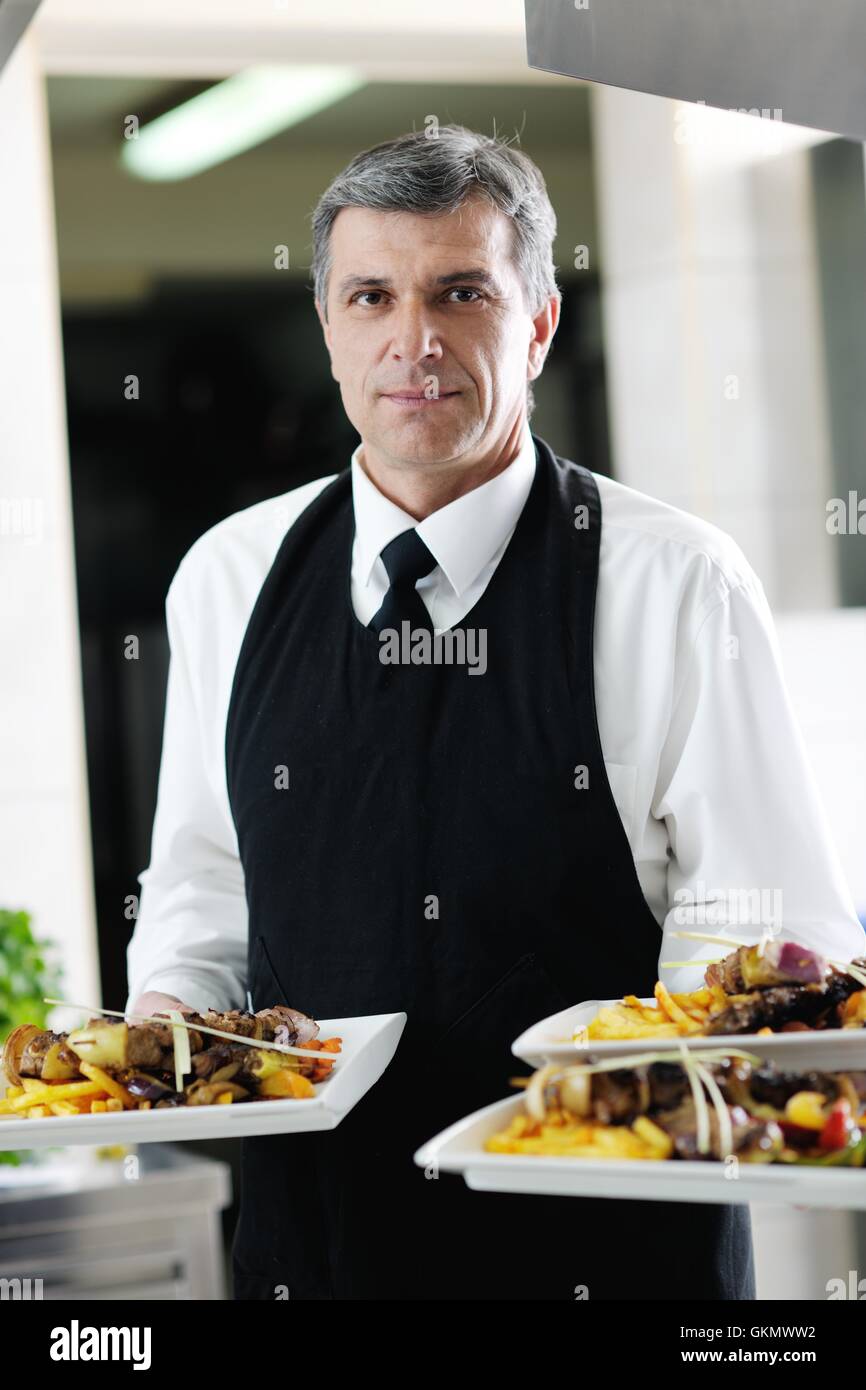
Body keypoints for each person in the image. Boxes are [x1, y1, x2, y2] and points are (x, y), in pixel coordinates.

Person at [127, 125, 864, 1300]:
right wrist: (169, 1017)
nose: (412, 340)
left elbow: (765, 930)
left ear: (538, 324)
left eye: (460, 291)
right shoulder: (229, 574)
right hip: (314, 1254)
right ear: (328, 329)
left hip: (611, 1255)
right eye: (370, 295)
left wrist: (629, 1069)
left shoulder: (674, 582)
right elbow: (206, 884)